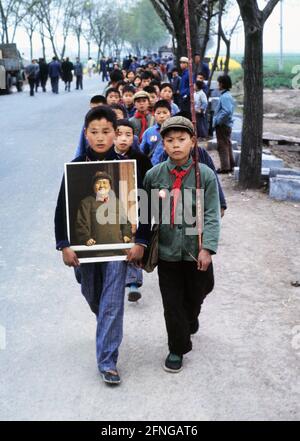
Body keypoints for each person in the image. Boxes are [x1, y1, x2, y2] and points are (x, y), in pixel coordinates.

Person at [54, 106, 148, 385]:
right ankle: (106, 323)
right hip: (84, 253)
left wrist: (140, 241)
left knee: (111, 303)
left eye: (106, 131)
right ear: (86, 134)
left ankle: (107, 361)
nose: (100, 137)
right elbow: (62, 211)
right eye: (94, 132)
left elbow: (142, 207)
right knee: (93, 295)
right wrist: (64, 245)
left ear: (114, 134)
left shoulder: (126, 167)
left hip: (117, 252)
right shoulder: (74, 168)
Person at [142, 116, 221, 373]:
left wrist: (207, 247)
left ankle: (191, 316)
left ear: (192, 142)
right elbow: (144, 212)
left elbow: (211, 212)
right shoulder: (154, 175)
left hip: (195, 250)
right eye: (170, 140)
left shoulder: (205, 175)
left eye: (181, 139)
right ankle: (177, 347)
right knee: (171, 303)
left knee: (201, 288)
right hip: (167, 252)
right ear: (163, 144)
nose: (176, 145)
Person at [114, 119, 153, 301]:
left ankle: (133, 284)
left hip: (135, 207)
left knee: (133, 243)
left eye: (128, 135)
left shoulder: (141, 159)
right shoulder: (103, 158)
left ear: (134, 138)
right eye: (118, 134)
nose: (123, 139)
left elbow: (149, 185)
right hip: (110, 210)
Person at [213, 74, 235, 173]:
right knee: (227, 144)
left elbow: (227, 111)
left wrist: (218, 121)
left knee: (222, 146)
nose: (218, 85)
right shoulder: (226, 95)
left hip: (223, 125)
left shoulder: (225, 97)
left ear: (222, 84)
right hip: (226, 124)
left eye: (219, 83)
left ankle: (225, 167)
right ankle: (230, 165)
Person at [140, 100, 171, 165]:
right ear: (154, 114)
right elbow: (142, 153)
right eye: (158, 113)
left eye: (165, 112)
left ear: (170, 113)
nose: (162, 116)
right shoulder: (148, 132)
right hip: (153, 167)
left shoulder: (175, 131)